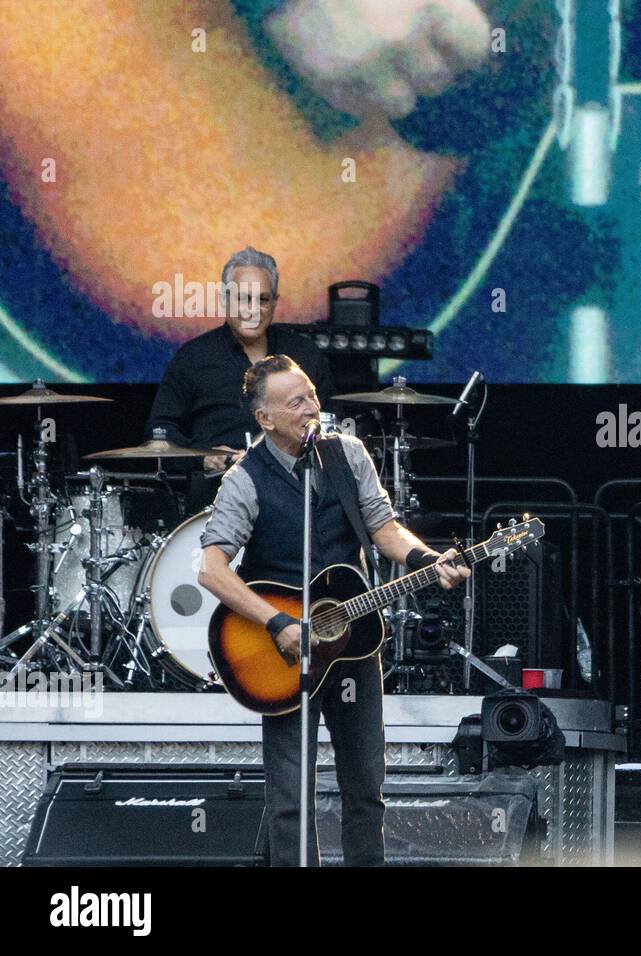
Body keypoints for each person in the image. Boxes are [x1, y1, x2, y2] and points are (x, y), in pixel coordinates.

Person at [196, 354, 469, 866]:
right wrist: (276, 622)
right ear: (265, 419)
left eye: (312, 395)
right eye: (295, 401)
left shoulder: (348, 454)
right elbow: (211, 569)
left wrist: (429, 559)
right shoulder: (244, 479)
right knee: (290, 800)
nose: (311, 407)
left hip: (353, 643)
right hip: (283, 655)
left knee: (366, 788)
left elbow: (384, 528)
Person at [146, 246, 335, 476]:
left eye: (263, 299)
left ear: (275, 302)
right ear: (223, 299)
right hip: (218, 493)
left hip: (296, 489)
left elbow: (333, 423)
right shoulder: (193, 358)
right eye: (242, 298)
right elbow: (158, 433)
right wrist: (203, 457)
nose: (252, 309)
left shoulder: (304, 354)